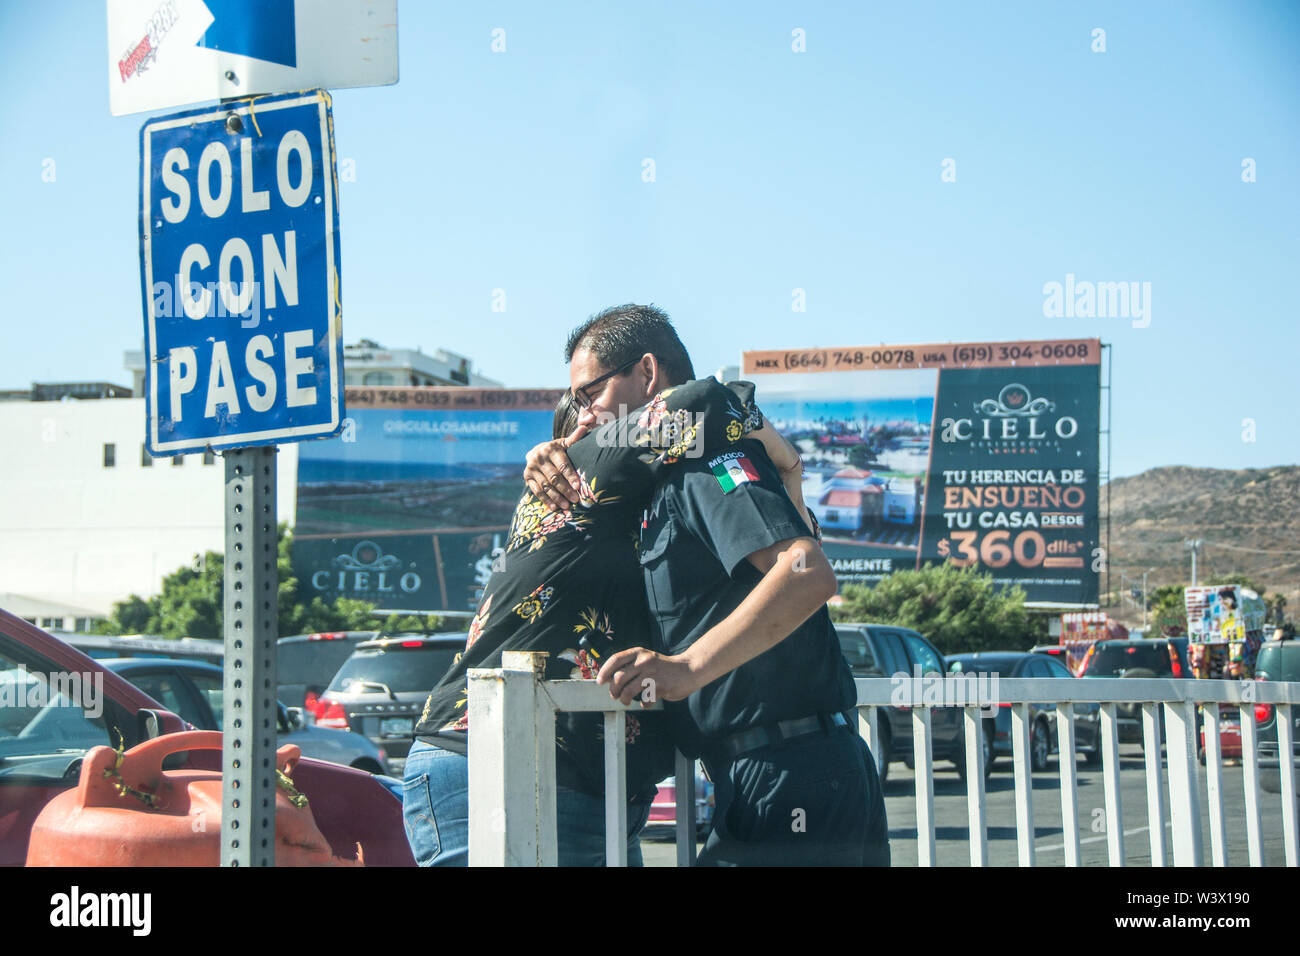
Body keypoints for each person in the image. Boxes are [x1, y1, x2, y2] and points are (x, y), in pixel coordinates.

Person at [525, 303, 889, 866]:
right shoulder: (667, 480)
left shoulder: (704, 462)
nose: (586, 413)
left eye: (589, 392)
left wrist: (686, 668)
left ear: (647, 374)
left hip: (788, 772)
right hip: (772, 774)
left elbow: (807, 573)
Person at [404, 371, 789, 865]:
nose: (592, 418)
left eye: (596, 403)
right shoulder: (581, 475)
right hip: (504, 769)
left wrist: (788, 469)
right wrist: (772, 442)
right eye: (583, 412)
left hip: (587, 788)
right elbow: (704, 400)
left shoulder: (639, 519)